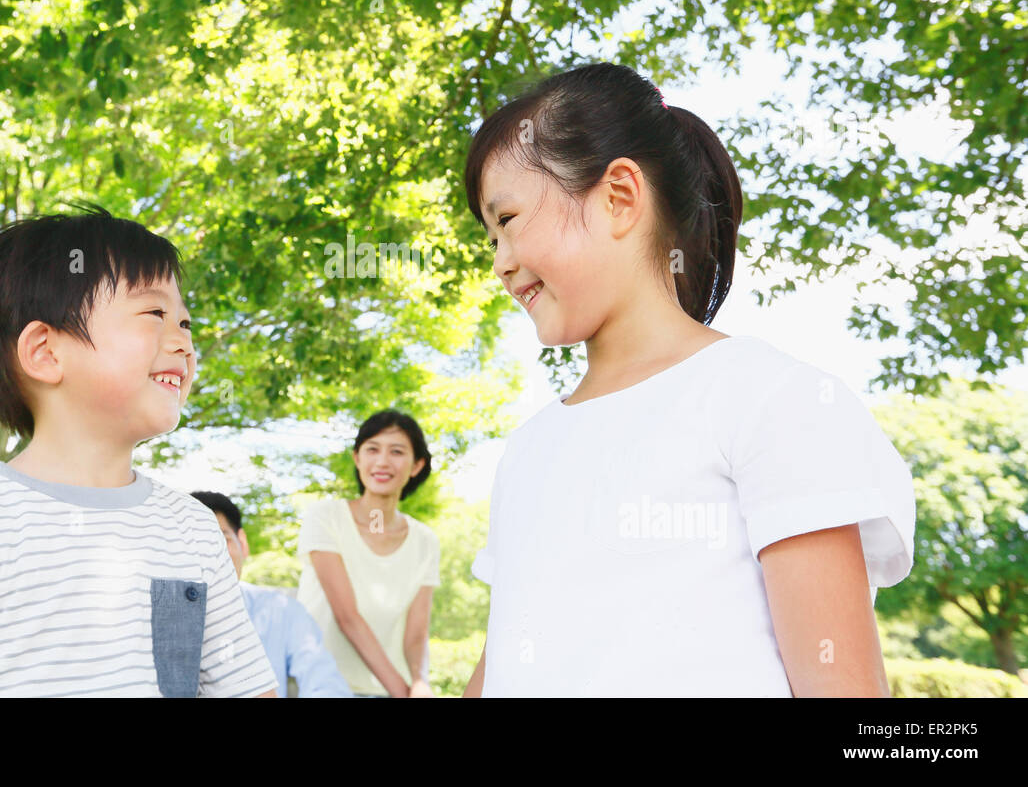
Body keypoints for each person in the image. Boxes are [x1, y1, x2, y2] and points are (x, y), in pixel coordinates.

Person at [460, 63, 916, 698]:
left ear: (619, 195)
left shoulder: (767, 399)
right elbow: (507, 655)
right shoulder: (527, 448)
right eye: (489, 238)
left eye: (505, 221)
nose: (500, 262)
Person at [0, 204, 277, 697]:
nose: (185, 343)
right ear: (45, 352)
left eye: (186, 324)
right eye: (155, 314)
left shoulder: (192, 530)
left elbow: (248, 690)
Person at [295, 410, 441, 697]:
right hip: (320, 685)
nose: (383, 461)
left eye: (397, 451)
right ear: (357, 458)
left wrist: (419, 682)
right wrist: (401, 691)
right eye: (372, 449)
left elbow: (416, 634)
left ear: (416, 465)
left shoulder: (425, 541)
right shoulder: (325, 517)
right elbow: (347, 617)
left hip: (389, 689)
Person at [190, 491, 353, 698]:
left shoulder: (282, 611)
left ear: (243, 543)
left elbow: (326, 685)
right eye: (195, 546)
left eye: (221, 540)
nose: (210, 556)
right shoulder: (153, 617)